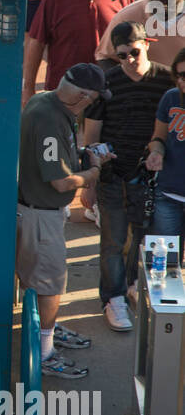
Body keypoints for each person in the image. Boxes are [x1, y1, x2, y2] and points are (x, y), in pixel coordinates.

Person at [17, 64, 113, 379]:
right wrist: (94, 172)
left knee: (45, 282)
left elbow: (56, 157)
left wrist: (84, 154)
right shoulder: (49, 117)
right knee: (50, 284)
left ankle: (48, 329)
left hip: (40, 210)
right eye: (94, 98)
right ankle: (44, 353)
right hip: (40, 213)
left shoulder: (44, 101)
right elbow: (59, 182)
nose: (93, 104)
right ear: (83, 95)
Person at [84, 22, 171, 328]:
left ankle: (134, 287)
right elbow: (91, 134)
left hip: (152, 176)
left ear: (147, 43)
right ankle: (113, 298)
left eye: (134, 52)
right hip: (113, 174)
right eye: (122, 56)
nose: (129, 60)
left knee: (145, 238)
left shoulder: (167, 80)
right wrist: (90, 178)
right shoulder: (106, 84)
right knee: (113, 239)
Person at [23, 0, 133, 104]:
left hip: (109, 92)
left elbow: (134, 37)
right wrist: (28, 89)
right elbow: (37, 43)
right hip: (65, 93)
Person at [146, 46, 185, 256]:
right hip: (169, 194)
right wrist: (156, 152)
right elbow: (158, 138)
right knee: (167, 264)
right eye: (178, 75)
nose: (180, 81)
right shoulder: (171, 98)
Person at [96, 0, 185, 70]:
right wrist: (124, 80)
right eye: (156, 4)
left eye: (168, 7)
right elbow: (105, 57)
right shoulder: (127, 16)